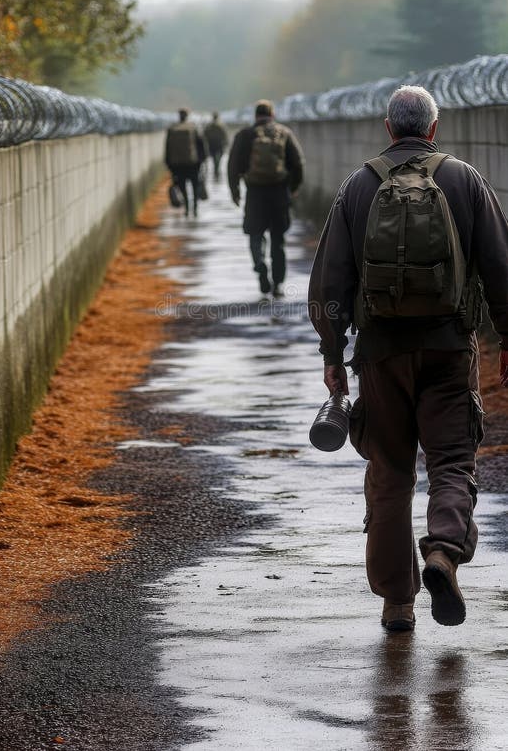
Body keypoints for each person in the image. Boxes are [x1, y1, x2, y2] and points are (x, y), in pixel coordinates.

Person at [308, 85, 508, 632]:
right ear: (435, 128)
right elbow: (500, 267)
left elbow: (330, 280)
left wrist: (332, 351)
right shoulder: (465, 180)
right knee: (450, 461)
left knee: (391, 472)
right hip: (448, 350)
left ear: (388, 128)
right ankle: (443, 551)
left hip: (380, 356)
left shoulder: (357, 186)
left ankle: (398, 601)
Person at [228, 99, 304, 297]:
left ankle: (260, 266)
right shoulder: (284, 133)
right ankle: (278, 284)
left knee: (255, 234)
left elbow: (233, 165)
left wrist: (235, 191)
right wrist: (293, 188)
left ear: (255, 116)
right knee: (278, 240)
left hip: (255, 193)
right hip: (279, 194)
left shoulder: (244, 135)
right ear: (273, 115)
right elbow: (298, 164)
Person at [165, 108, 206, 217]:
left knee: (182, 187)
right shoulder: (194, 128)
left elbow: (168, 148)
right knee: (194, 186)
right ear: (187, 116)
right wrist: (203, 160)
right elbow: (201, 145)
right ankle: (195, 208)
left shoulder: (172, 129)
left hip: (178, 165)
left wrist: (169, 165)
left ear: (179, 116)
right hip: (193, 163)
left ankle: (187, 207)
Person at [203, 111, 229, 180]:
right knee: (217, 160)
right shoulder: (221, 125)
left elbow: (205, 135)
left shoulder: (209, 126)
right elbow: (225, 136)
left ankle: (216, 171)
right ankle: (217, 171)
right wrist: (226, 144)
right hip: (219, 145)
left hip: (212, 145)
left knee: (215, 160)